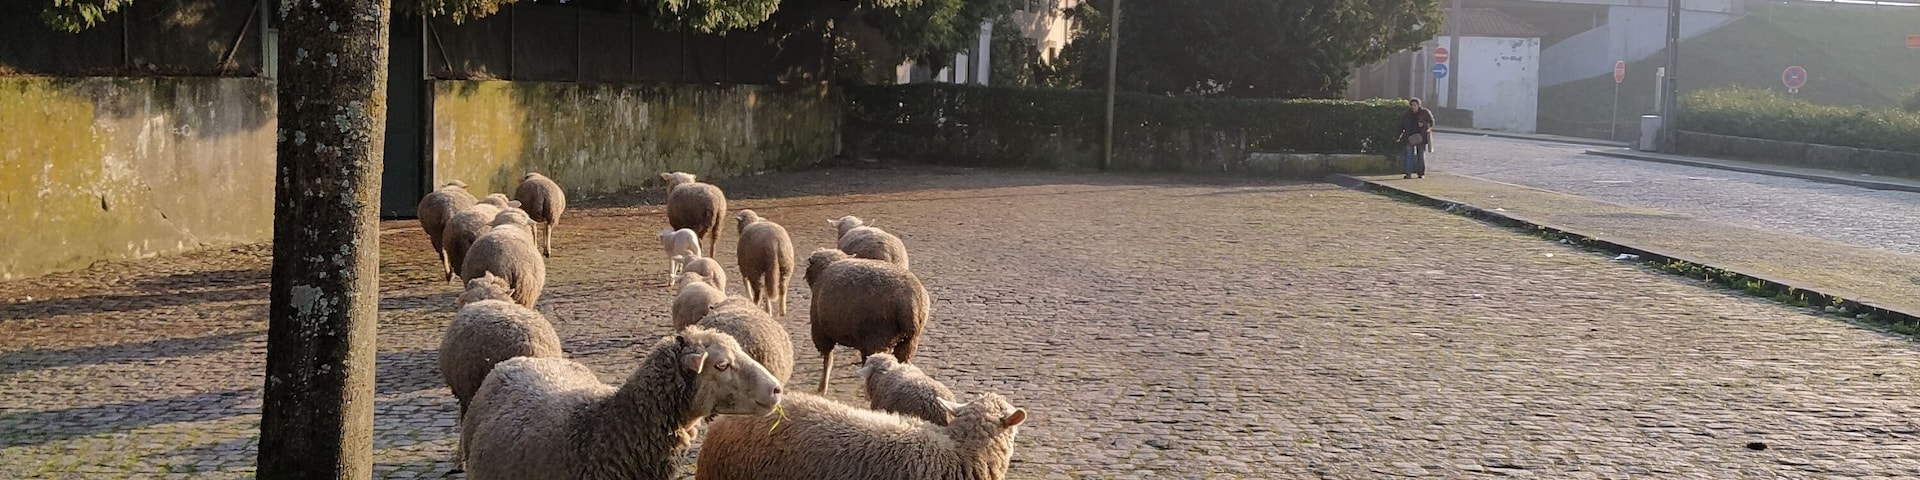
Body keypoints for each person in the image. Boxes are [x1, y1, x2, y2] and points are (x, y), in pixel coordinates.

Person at [1399, 98, 1435, 179]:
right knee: (1408, 155)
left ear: (1419, 105)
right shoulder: (1406, 114)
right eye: (1411, 105)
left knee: (1420, 156)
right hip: (1409, 137)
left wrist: (1424, 125)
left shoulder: (1425, 112)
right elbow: (1401, 125)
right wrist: (1399, 135)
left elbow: (1431, 122)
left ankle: (1421, 173)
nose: (1413, 107)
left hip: (1421, 137)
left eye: (1415, 105)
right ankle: (1408, 173)